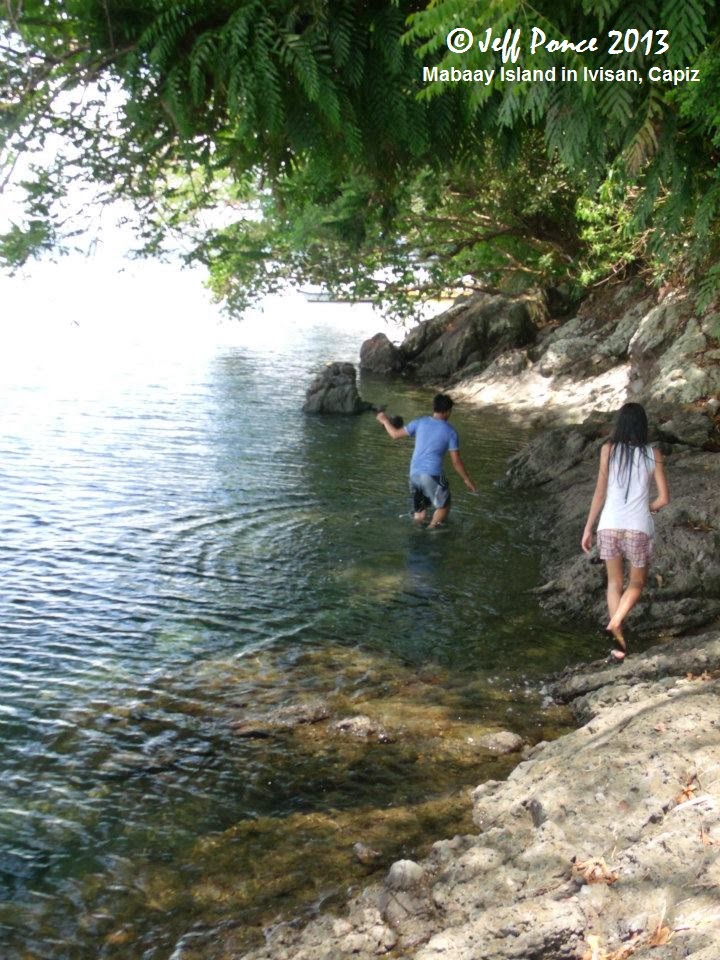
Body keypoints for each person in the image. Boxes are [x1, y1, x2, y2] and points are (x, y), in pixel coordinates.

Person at [581, 402, 670, 660]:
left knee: (614, 583)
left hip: (608, 525)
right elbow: (664, 498)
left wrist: (588, 528)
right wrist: (647, 508)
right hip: (638, 527)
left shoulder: (607, 450)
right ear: (643, 425)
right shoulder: (653, 453)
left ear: (619, 424)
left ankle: (619, 646)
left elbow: (599, 493)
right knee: (637, 583)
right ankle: (616, 621)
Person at [376, 393, 477, 527]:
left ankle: (417, 532)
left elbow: (394, 434)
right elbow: (456, 462)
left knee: (420, 513)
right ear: (448, 411)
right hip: (432, 474)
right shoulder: (450, 431)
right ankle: (431, 531)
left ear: (434, 408)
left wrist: (384, 420)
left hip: (414, 475)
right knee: (444, 506)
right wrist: (466, 479)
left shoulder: (419, 422)